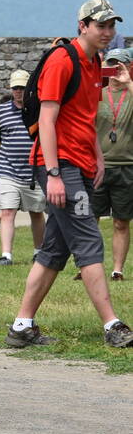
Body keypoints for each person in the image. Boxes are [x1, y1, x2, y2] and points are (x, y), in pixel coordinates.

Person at [7, 0, 133, 349]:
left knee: (53, 252)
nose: (107, 32)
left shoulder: (94, 63)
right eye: (100, 25)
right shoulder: (64, 60)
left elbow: (84, 118)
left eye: (111, 26)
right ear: (83, 26)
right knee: (89, 241)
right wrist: (54, 174)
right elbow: (47, 120)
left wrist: (99, 157)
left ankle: (21, 327)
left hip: (79, 163)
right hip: (59, 165)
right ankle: (113, 326)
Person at [0, 68, 45, 265]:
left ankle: (39, 252)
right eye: (15, 88)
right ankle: (6, 255)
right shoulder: (1, 111)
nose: (19, 91)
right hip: (8, 171)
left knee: (36, 212)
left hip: (34, 172)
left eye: (22, 88)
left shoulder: (39, 110)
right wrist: (2, 157)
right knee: (7, 212)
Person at [92, 47, 133, 280]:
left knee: (121, 221)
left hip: (126, 165)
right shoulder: (97, 93)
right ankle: (88, 266)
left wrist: (128, 82)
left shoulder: (131, 92)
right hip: (99, 165)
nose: (115, 69)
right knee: (91, 219)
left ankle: (117, 269)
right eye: (111, 65)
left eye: (120, 65)